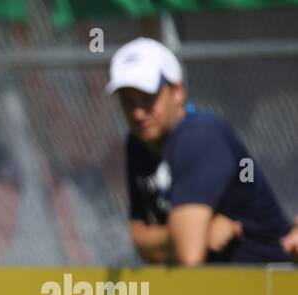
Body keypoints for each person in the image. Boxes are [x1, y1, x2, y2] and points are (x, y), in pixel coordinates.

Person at [109, 36, 298, 266]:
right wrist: (191, 232)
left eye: (148, 98)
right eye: (128, 102)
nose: (138, 113)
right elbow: (138, 237)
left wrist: (175, 238)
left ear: (177, 91)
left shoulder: (199, 136)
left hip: (271, 286)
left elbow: (189, 254)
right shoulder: (137, 143)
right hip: (212, 290)